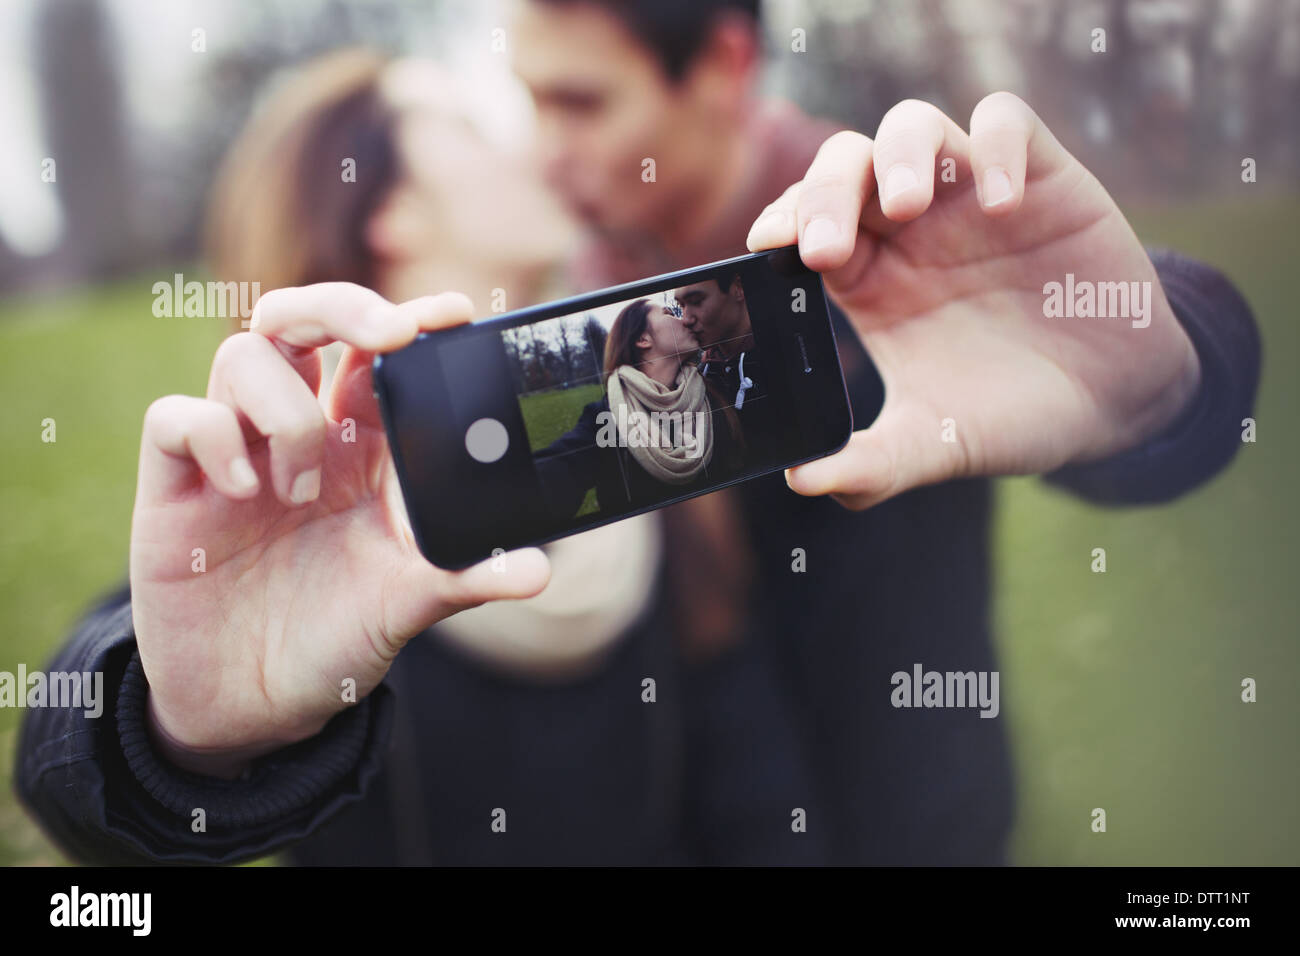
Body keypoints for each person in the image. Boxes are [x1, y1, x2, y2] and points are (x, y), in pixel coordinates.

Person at [14, 48, 816, 864]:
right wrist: (179, 733)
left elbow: (754, 794)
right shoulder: (295, 510)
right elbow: (63, 767)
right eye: (467, 124)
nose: (527, 145)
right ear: (388, 208)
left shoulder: (638, 448)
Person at [535, 297, 746, 517]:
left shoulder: (713, 396)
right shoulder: (606, 418)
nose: (683, 320)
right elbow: (556, 473)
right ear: (643, 339)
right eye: (668, 313)